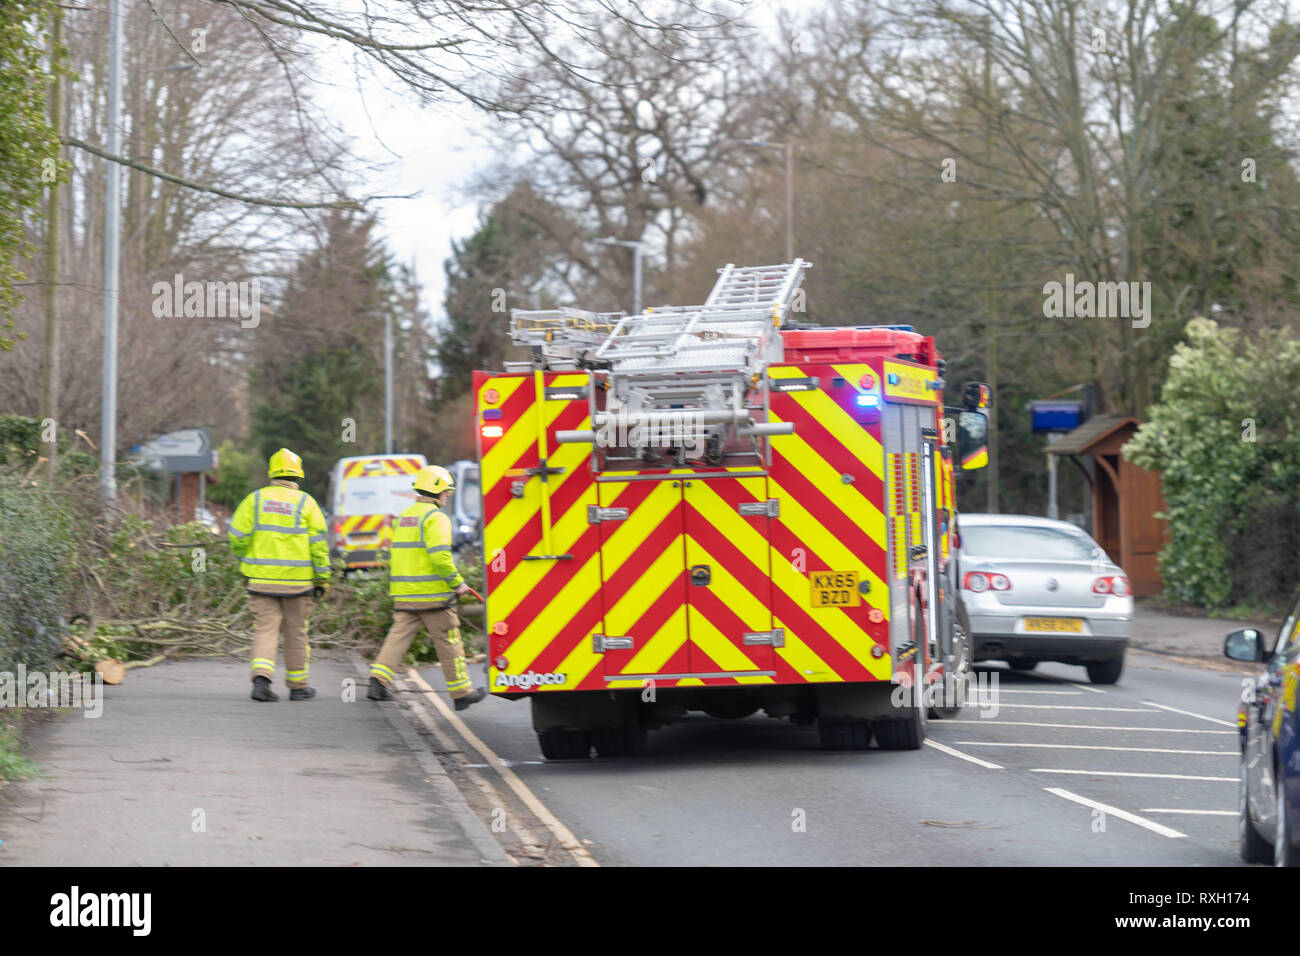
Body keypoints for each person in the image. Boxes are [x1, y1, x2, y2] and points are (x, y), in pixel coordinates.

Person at [368, 464, 486, 710]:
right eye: (446, 492)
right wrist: (458, 583)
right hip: (433, 597)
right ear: (438, 491)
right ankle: (461, 694)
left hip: (405, 594)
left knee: (398, 637)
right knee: (448, 639)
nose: (447, 497)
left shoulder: (405, 516)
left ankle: (377, 682)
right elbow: (440, 556)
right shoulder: (435, 518)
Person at [228, 448, 331, 702]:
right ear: (298, 475)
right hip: (298, 584)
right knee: (296, 632)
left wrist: (248, 557)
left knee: (266, 630)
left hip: (262, 581)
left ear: (271, 472)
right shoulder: (307, 503)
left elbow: (236, 537)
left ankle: (261, 682)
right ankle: (298, 687)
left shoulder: (255, 499)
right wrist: (322, 578)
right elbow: (318, 546)